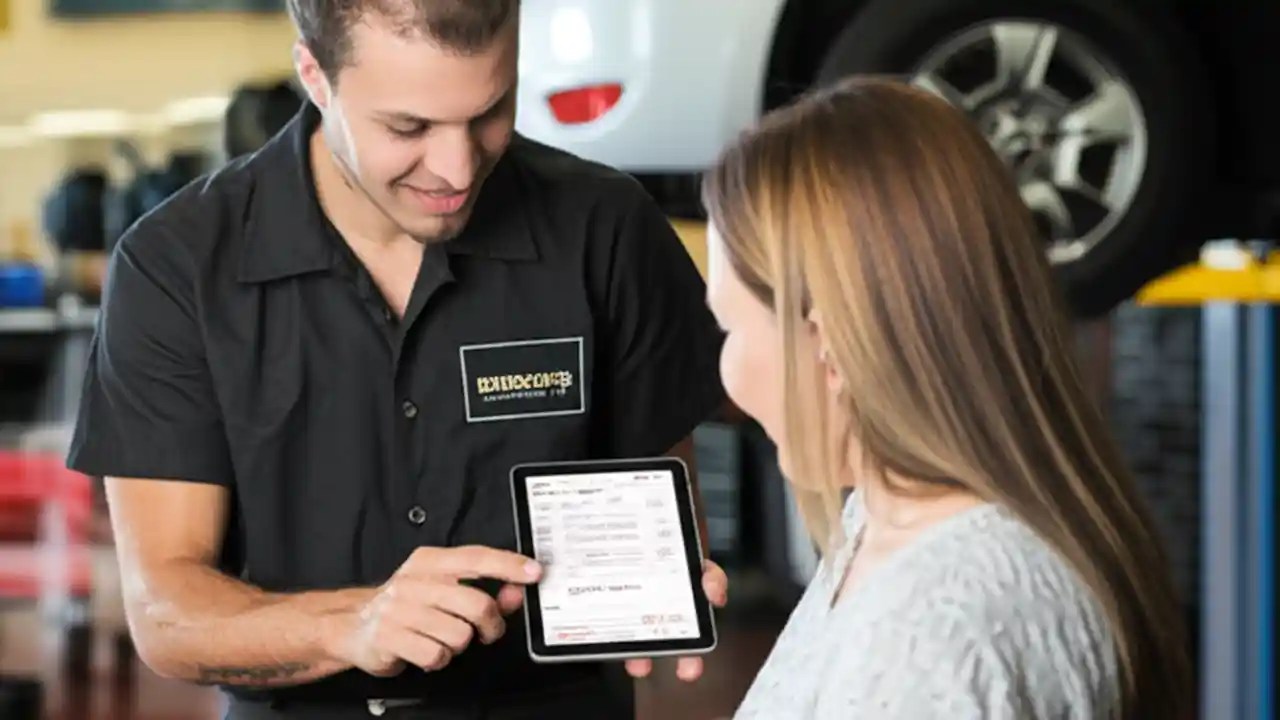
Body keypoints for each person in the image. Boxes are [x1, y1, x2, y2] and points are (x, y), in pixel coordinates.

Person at [65, 1, 728, 718]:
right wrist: (353, 625)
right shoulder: (177, 267)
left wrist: (659, 577)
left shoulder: (606, 231)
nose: (456, 168)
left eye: (489, 111)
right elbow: (166, 612)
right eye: (407, 127)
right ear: (315, 76)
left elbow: (662, 504)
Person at [701, 77, 1193, 719]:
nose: (725, 374)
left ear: (826, 342)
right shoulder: (888, 523)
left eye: (729, 327)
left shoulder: (932, 632)